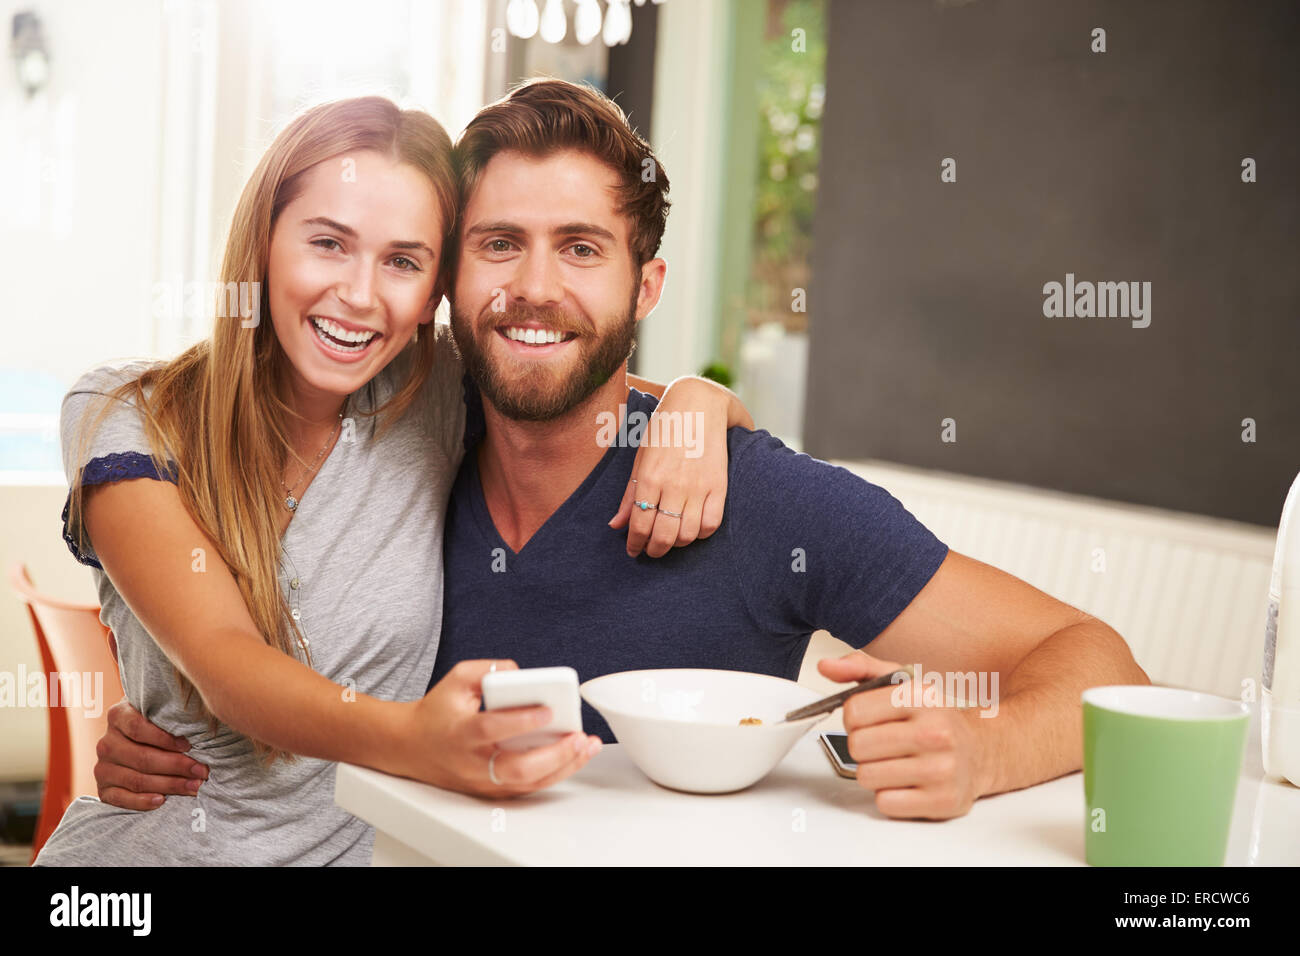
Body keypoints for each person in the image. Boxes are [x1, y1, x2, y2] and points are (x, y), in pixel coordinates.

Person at [95, 79, 1150, 825]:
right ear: (452, 283)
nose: (535, 288)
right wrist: (166, 717)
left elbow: (1098, 658)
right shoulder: (419, 443)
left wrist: (984, 746)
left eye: (582, 249)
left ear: (645, 289)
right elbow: (257, 641)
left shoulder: (765, 503)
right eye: (498, 243)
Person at [33, 95, 751, 867]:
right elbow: (226, 665)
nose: (361, 294)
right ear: (264, 242)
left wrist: (698, 404)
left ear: (435, 292)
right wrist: (417, 740)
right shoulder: (127, 416)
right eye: (328, 244)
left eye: (403, 261)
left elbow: (582, 388)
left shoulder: (434, 394)